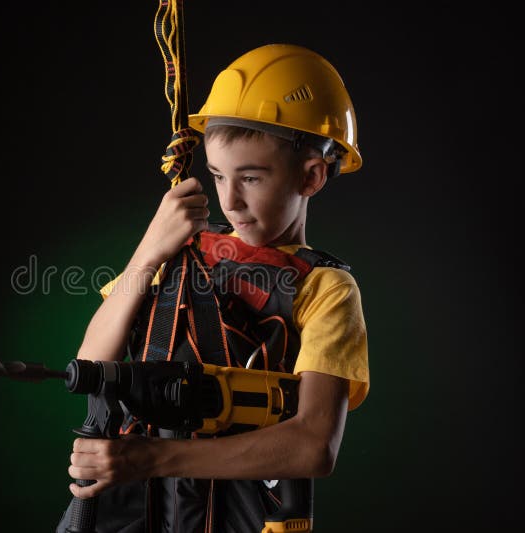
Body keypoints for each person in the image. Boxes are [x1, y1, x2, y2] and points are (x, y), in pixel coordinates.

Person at [58, 43, 369, 532]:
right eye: (219, 175)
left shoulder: (326, 289)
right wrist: (148, 251)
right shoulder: (181, 251)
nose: (230, 200)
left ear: (312, 176)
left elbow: (313, 445)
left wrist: (155, 458)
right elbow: (93, 363)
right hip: (136, 514)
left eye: (251, 178)